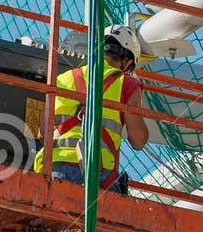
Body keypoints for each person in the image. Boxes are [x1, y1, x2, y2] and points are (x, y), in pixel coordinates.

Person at [34, 24, 149, 192]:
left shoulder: (62, 78)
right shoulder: (127, 83)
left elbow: (42, 133)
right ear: (127, 62)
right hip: (96, 173)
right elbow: (138, 140)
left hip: (53, 167)